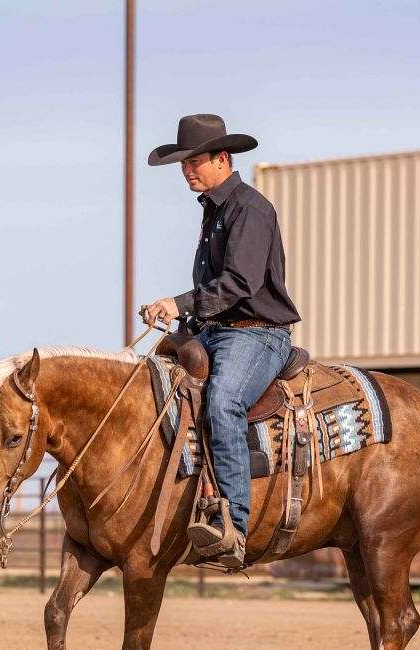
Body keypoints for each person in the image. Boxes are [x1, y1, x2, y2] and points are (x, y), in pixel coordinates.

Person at [141, 113, 301, 568]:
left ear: (223, 158)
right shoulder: (214, 210)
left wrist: (178, 303)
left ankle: (234, 525)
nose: (187, 170)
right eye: (182, 163)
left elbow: (240, 283)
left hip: (257, 334)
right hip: (218, 332)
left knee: (223, 401)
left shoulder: (250, 209)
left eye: (195, 161)